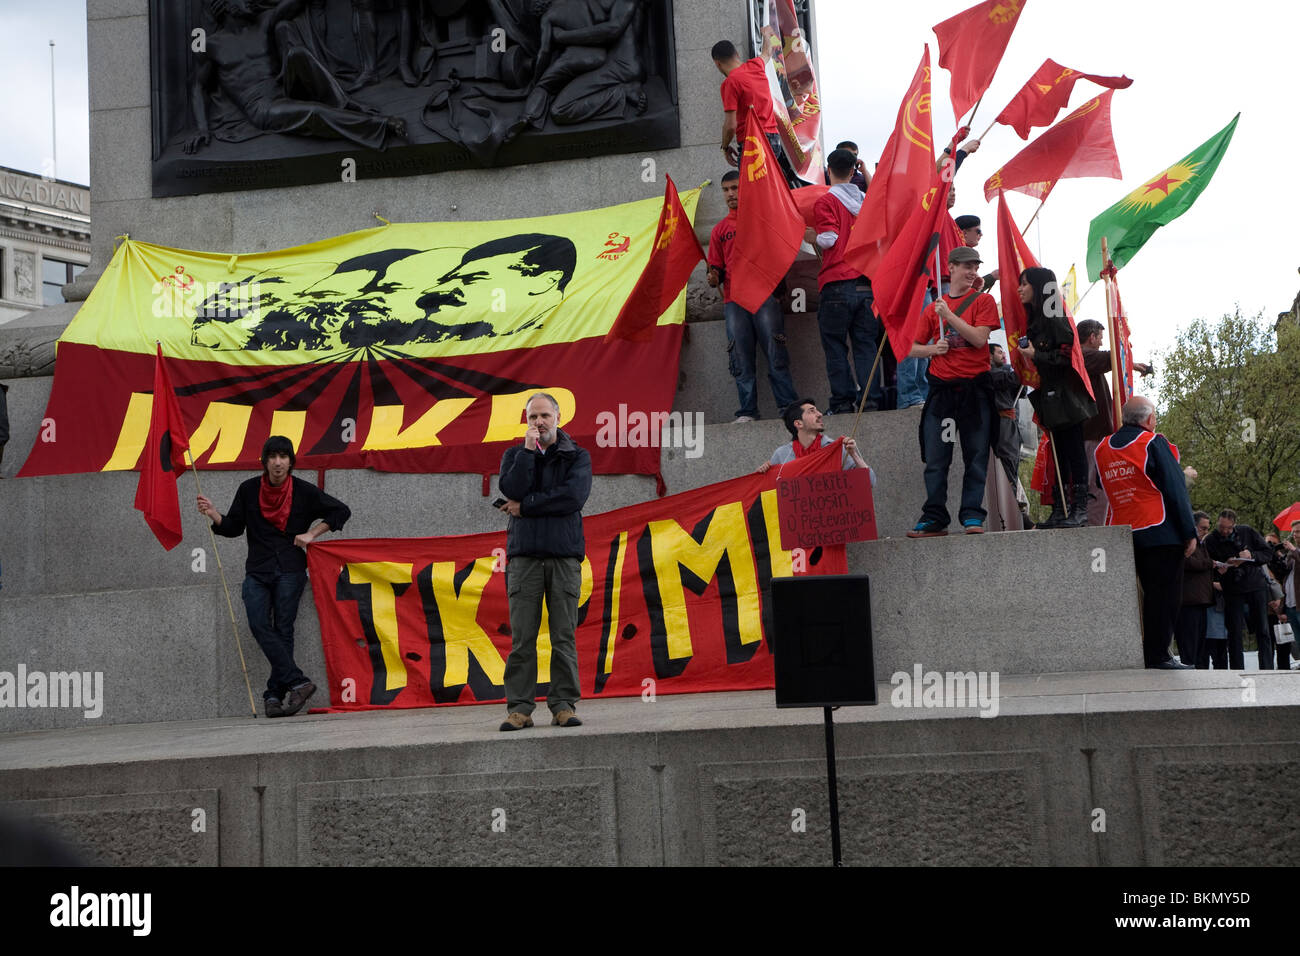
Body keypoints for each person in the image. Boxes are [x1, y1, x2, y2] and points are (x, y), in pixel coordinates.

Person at [197, 436, 351, 716]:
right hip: (258, 569)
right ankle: (298, 682)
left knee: (284, 630)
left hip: (290, 569)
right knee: (258, 623)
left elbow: (341, 511)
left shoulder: (304, 491)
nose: (278, 462)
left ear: (291, 462)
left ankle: (274, 694)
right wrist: (214, 514)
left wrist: (311, 534)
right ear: (264, 461)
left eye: (283, 457)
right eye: (273, 456)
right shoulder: (248, 489)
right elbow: (233, 527)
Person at [496, 393, 592, 731]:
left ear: (558, 417)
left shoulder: (576, 456)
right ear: (526, 420)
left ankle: (563, 705)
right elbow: (511, 487)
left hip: (564, 557)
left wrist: (526, 506)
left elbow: (572, 498)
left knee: (563, 635)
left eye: (545, 416)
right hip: (524, 559)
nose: (539, 422)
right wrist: (526, 452)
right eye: (533, 416)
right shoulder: (514, 455)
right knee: (522, 638)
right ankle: (519, 708)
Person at [1094, 397, 1196, 669]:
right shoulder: (1153, 442)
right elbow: (1175, 489)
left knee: (1139, 597)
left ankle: (1144, 653)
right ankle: (1158, 655)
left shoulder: (1102, 448)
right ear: (1149, 419)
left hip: (1122, 533)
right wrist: (1189, 531)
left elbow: (1097, 481)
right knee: (1164, 596)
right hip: (1159, 530)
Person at [906, 246, 1001, 537]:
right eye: (966, 266)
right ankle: (934, 517)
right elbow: (909, 348)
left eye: (975, 266)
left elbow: (978, 339)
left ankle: (973, 516)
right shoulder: (932, 308)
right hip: (943, 394)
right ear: (951, 268)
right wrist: (933, 349)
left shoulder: (983, 301)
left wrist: (949, 314)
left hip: (975, 392)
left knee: (976, 455)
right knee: (937, 458)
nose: (972, 271)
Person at [706, 171, 799, 423]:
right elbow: (715, 267)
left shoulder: (763, 220)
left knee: (775, 350)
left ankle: (788, 408)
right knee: (740, 357)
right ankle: (747, 410)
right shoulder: (719, 230)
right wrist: (713, 276)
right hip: (734, 300)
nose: (730, 194)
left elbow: (781, 253)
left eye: (735, 188)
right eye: (725, 190)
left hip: (764, 295)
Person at [1018, 267, 1097, 528]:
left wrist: (1034, 355)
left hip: (1066, 395)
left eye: (1025, 284)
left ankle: (1079, 509)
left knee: (1073, 451)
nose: (1019, 289)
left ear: (1039, 287)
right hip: (1050, 395)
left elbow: (1066, 353)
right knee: (1060, 453)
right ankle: (1061, 509)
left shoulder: (1053, 312)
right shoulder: (1036, 317)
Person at [815, 148, 882, 413]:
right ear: (854, 172)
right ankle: (871, 401)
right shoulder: (867, 202)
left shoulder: (825, 201)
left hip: (836, 283)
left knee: (835, 347)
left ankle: (843, 403)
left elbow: (828, 239)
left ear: (828, 171)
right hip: (866, 284)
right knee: (866, 347)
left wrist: (811, 236)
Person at [1076, 319, 1152, 526]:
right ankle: (1093, 530)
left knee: (1097, 485)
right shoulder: (1083, 356)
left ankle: (1094, 526)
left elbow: (1111, 358)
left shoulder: (1087, 358)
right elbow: (1113, 356)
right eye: (1100, 338)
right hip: (1091, 434)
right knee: (1096, 486)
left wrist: (1131, 365)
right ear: (1091, 337)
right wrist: (1128, 357)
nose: (1101, 342)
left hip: (1093, 434)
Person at [710, 40, 800, 187]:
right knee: (768, 188)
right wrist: (766, 33)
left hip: (753, 144)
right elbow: (767, 52)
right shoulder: (756, 65)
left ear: (717, 63)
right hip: (774, 140)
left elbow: (731, 125)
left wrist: (725, 147)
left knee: (752, 193)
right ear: (737, 54)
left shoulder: (730, 83)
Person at [1205, 508, 1275, 670]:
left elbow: (1267, 553)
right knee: (1234, 631)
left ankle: (1267, 668)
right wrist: (1218, 568)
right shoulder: (1211, 540)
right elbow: (1208, 563)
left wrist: (1250, 555)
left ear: (1234, 525)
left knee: (1262, 629)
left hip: (1255, 585)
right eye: (1222, 527)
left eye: (1228, 528)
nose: (1224, 531)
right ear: (1218, 523)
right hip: (1232, 588)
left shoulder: (1246, 532)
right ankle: (1237, 669)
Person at [757, 399, 874, 482]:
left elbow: (869, 481)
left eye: (817, 411)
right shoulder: (782, 455)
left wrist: (854, 454)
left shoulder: (835, 449)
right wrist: (762, 474)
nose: (819, 414)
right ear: (798, 423)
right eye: (812, 411)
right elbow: (768, 492)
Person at [988, 343, 1033, 530]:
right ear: (989, 356)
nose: (1003, 355)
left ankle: (1021, 514)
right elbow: (1008, 379)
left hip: (1011, 426)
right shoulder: (990, 372)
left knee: (1012, 468)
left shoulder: (1005, 373)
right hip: (1001, 425)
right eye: (999, 352)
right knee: (1008, 470)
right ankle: (1022, 517)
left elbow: (1021, 389)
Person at [1178, 511, 1214, 668]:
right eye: (1202, 528)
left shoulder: (1202, 544)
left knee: (1200, 644)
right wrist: (1209, 564)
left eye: (1207, 528)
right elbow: (1188, 562)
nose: (1205, 532)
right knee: (1189, 644)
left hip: (1201, 599)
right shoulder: (1185, 542)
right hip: (1188, 601)